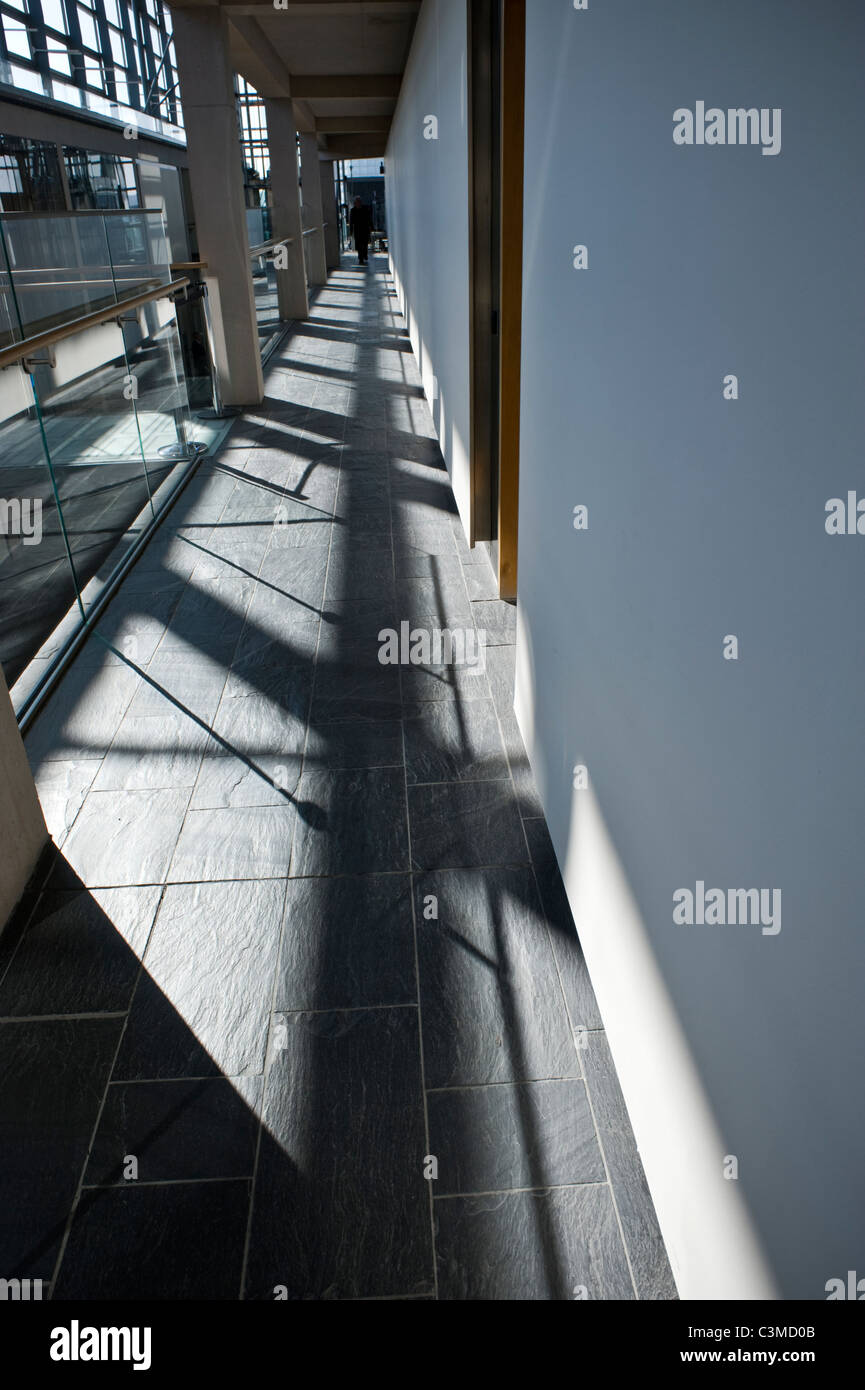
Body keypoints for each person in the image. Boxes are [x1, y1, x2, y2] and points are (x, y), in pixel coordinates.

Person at [349, 196, 373, 266]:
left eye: (359, 202)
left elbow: (369, 218)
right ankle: (360, 258)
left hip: (365, 229)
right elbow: (351, 221)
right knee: (359, 245)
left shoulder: (365, 209)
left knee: (365, 243)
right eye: (357, 202)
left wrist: (371, 227)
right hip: (357, 229)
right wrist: (351, 231)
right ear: (355, 203)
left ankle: (365, 255)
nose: (358, 203)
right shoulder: (353, 210)